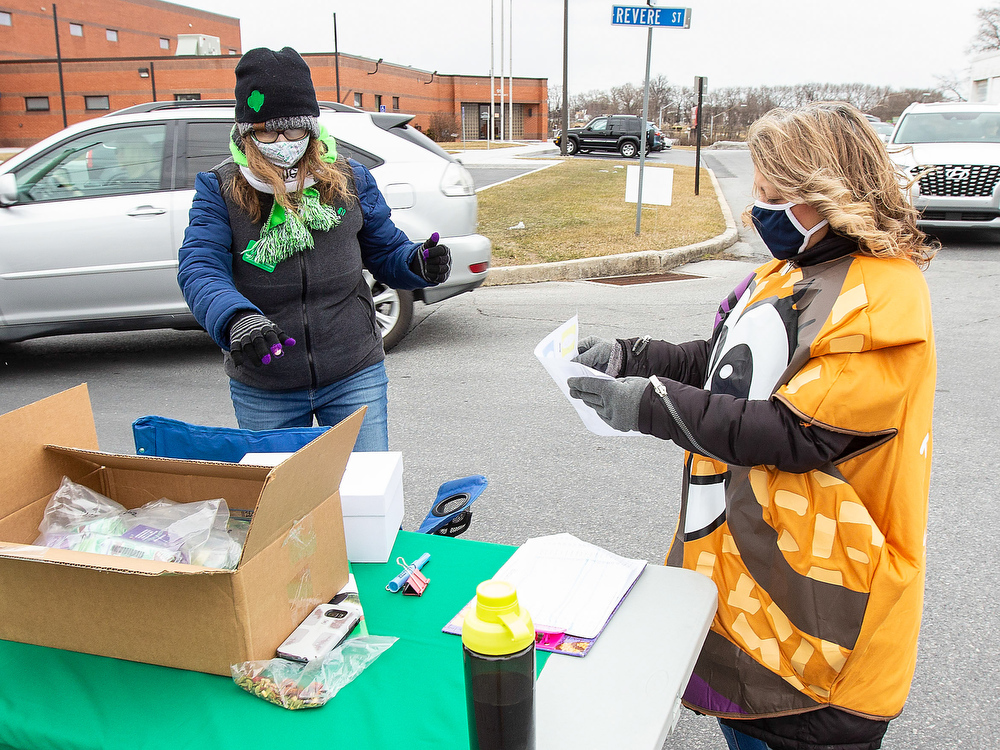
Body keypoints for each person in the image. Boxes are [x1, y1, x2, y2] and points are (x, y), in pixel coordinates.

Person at [567, 102, 937, 750]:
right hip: (757, 597)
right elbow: (726, 367)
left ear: (832, 192)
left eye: (773, 195)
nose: (756, 210)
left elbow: (793, 433)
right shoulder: (790, 272)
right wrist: (632, 355)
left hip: (822, 623)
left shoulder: (880, 299)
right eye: (756, 192)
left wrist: (649, 405)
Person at [177, 47, 450, 450]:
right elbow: (200, 268)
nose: (281, 142)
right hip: (266, 382)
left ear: (311, 130)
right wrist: (237, 319)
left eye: (293, 130)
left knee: (367, 498)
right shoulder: (219, 189)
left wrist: (417, 263)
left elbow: (385, 252)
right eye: (266, 131)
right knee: (286, 506)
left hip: (354, 371)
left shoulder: (349, 179)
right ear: (245, 134)